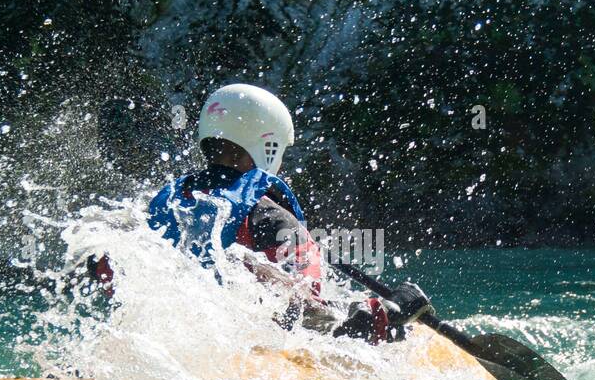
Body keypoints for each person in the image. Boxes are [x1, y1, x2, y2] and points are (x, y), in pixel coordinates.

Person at [93, 83, 431, 344]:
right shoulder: (270, 217)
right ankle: (390, 314)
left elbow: (112, 276)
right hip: (256, 345)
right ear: (267, 145)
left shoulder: (172, 204)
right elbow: (304, 304)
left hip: (172, 338)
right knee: (378, 324)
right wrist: (389, 312)